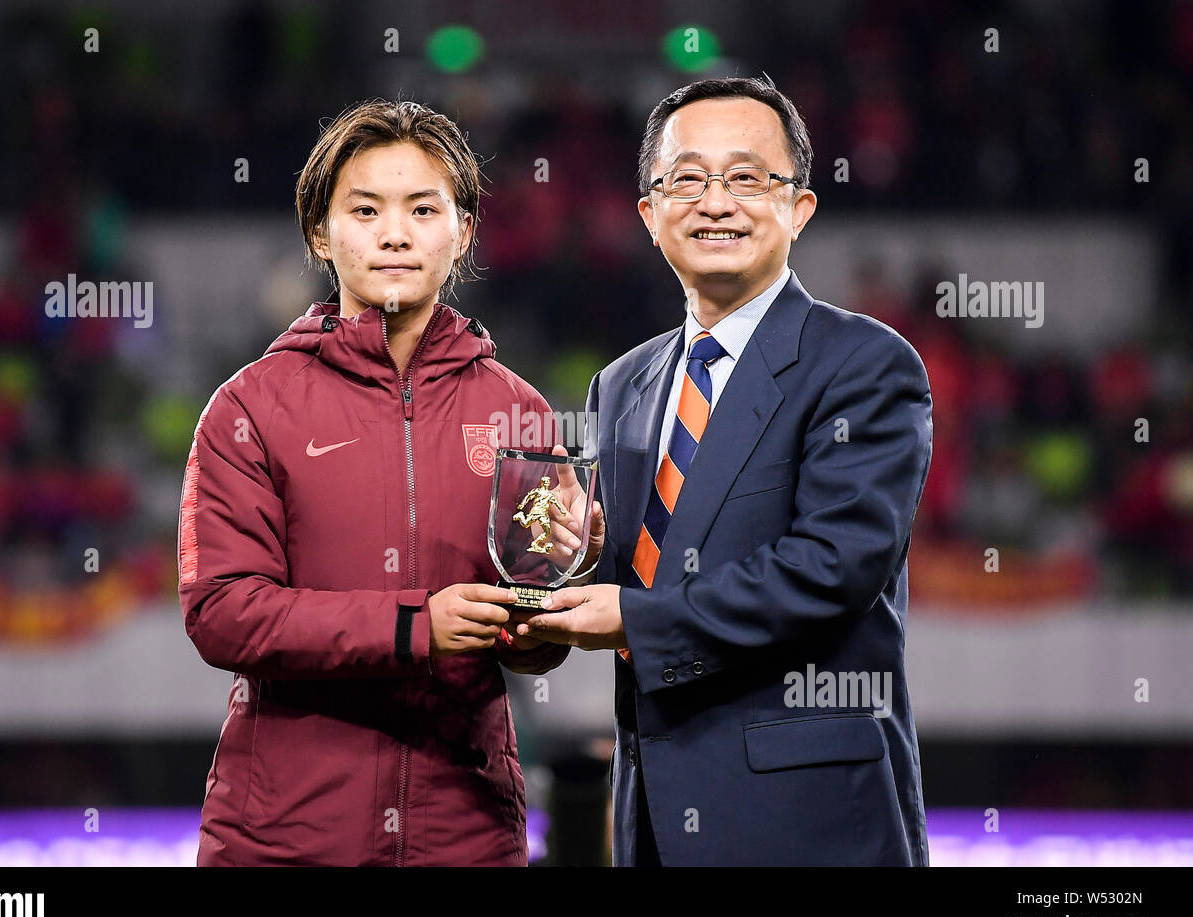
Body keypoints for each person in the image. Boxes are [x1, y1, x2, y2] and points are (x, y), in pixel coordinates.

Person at [514, 77, 933, 866]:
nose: (716, 202)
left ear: (800, 208)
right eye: (687, 179)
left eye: (746, 177)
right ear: (648, 214)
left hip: (809, 822)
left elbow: (831, 569)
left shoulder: (866, 365)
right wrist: (571, 553)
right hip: (654, 819)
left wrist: (632, 620)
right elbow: (644, 569)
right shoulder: (622, 384)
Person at [177, 99, 577, 865]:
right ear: (320, 233)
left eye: (423, 208)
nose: (395, 232)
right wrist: (414, 626)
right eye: (365, 209)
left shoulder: (517, 409)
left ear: (462, 231)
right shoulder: (250, 407)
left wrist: (547, 601)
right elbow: (223, 614)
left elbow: (533, 641)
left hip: (468, 837)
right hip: (286, 841)